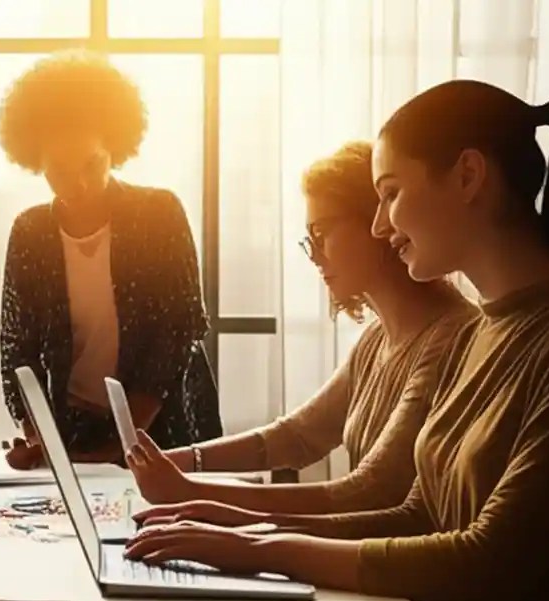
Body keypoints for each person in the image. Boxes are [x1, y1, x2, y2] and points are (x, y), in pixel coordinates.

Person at [126, 80, 549, 601]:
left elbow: (487, 556)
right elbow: (417, 514)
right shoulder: (484, 328)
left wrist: (260, 548)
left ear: (468, 176)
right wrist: (236, 527)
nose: (380, 224)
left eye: (390, 193)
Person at [128, 141, 476, 527]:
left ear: (377, 221)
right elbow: (298, 437)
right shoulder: (377, 339)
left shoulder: (451, 340)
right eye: (309, 238)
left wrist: (190, 490)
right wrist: (182, 461)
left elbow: (370, 491)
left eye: (321, 231)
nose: (314, 254)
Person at [0, 49, 222, 469]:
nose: (78, 183)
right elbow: (16, 350)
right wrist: (38, 436)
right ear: (35, 160)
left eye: (92, 164)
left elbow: (179, 331)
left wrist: (125, 441)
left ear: (114, 148)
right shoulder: (30, 232)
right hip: (72, 431)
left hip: (162, 427)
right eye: (59, 169)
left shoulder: (159, 214)